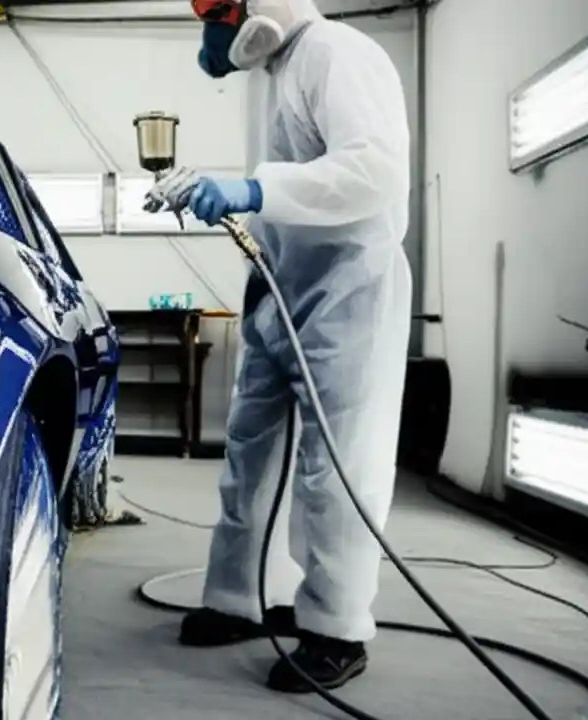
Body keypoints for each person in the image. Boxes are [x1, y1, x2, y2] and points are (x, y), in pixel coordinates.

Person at [161, 0, 413, 693]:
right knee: (251, 450)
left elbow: (374, 172)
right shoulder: (272, 72)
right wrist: (232, 194)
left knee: (337, 462)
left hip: (347, 287)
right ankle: (240, 597)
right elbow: (286, 185)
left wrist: (249, 188)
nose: (208, 23)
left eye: (215, 7)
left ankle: (336, 626)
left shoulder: (336, 50)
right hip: (280, 283)